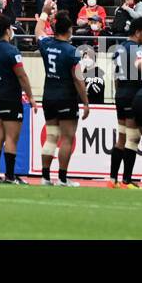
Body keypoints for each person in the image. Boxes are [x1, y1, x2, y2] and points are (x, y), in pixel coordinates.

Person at [35, 11, 90, 186]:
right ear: (68, 30)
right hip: (66, 98)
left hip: (48, 96)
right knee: (67, 138)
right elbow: (78, 79)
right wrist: (86, 102)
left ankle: (45, 177)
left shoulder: (46, 44)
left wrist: (44, 11)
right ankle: (62, 178)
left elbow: (37, 31)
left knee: (51, 137)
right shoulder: (71, 51)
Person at [0, 15, 32, 184]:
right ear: (7, 30)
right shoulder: (11, 50)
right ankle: (10, 176)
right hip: (10, 96)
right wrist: (31, 97)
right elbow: (22, 75)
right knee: (12, 138)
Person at [108, 17, 142, 188]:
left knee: (121, 138)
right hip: (134, 95)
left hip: (121, 94)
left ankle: (112, 180)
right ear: (137, 32)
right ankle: (126, 180)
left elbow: (116, 76)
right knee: (133, 138)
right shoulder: (137, 49)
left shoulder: (119, 49)